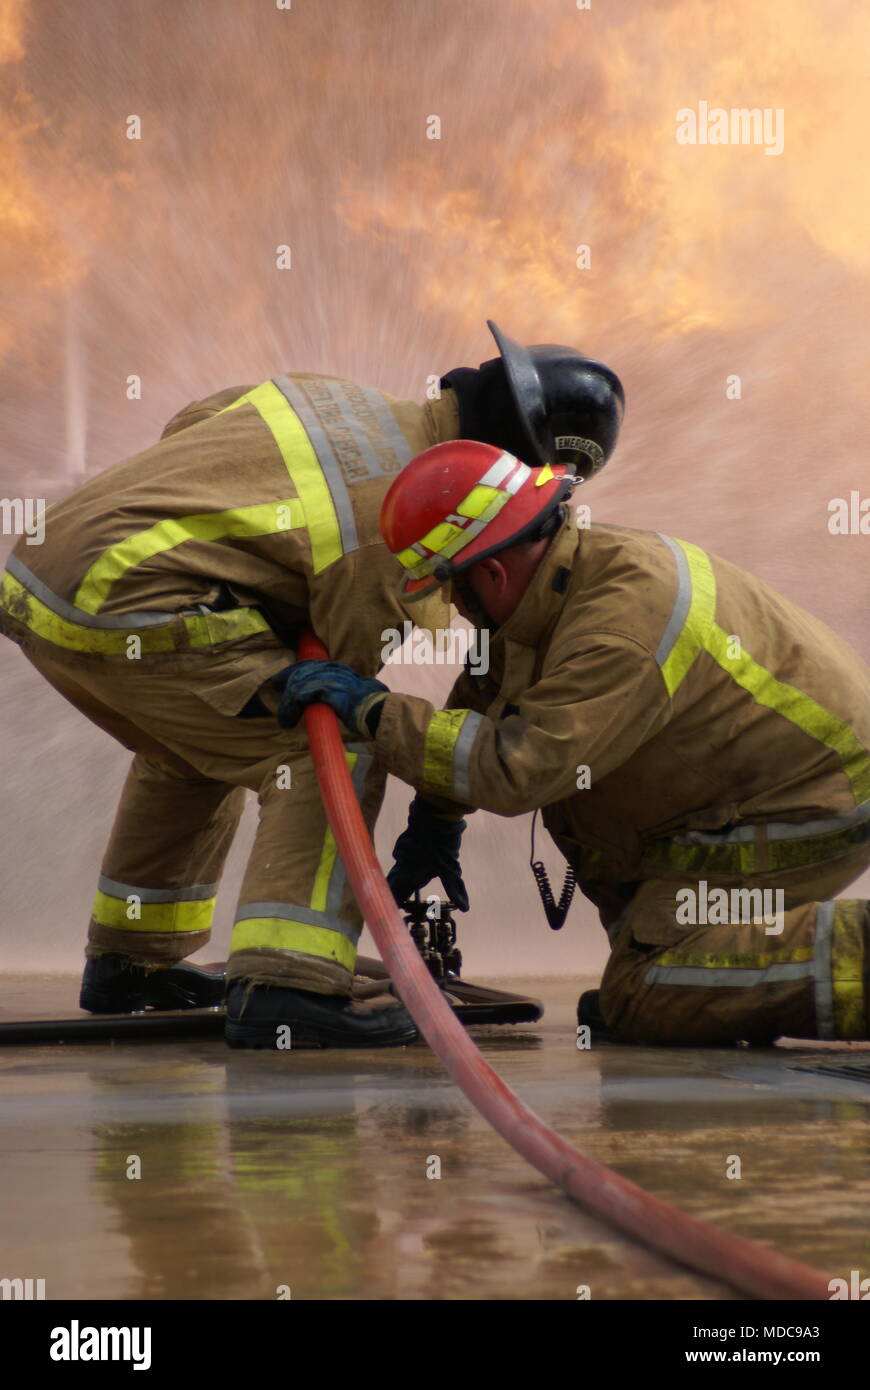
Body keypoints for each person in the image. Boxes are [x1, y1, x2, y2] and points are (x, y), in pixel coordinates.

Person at [0, 323, 624, 1048]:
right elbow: (343, 692)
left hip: (41, 575)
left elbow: (193, 424)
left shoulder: (337, 399)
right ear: (513, 466)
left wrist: (244, 559)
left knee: (202, 745)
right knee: (324, 744)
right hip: (127, 597)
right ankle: (289, 987)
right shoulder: (401, 521)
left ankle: (132, 964)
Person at [280, 419, 870, 1046]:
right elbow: (485, 693)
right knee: (650, 969)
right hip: (747, 796)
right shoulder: (562, 581)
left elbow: (518, 768)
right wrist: (436, 820)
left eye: (451, 592)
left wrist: (372, 711)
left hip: (807, 808)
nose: (454, 610)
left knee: (649, 985)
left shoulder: (615, 629)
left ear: (493, 574)